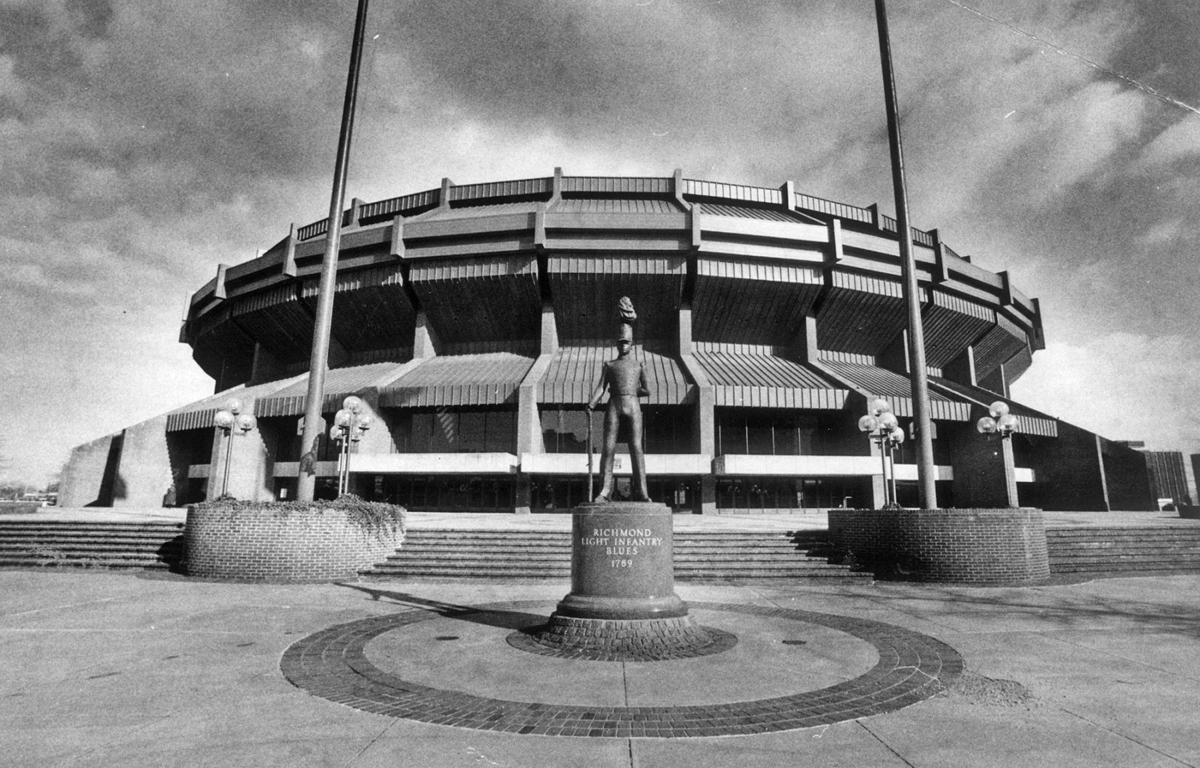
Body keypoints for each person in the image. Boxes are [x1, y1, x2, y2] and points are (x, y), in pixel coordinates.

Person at [587, 321, 651, 503]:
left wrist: (631, 390)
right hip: (614, 405)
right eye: (621, 342)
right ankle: (605, 491)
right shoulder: (609, 365)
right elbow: (601, 387)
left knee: (636, 447)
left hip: (633, 405)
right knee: (608, 447)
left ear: (632, 344)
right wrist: (591, 403)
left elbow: (647, 390)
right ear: (616, 344)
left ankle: (642, 491)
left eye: (626, 343)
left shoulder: (639, 365)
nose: (623, 346)